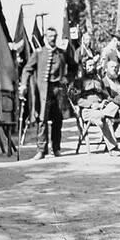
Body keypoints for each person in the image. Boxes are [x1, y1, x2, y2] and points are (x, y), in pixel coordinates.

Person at [21, 27, 77, 159]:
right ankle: (41, 150)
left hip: (58, 90)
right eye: (50, 36)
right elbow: (27, 69)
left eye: (54, 36)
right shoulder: (39, 53)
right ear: (45, 38)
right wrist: (23, 84)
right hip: (43, 91)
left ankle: (56, 149)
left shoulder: (62, 53)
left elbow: (74, 66)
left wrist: (67, 78)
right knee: (42, 120)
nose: (53, 39)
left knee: (58, 120)